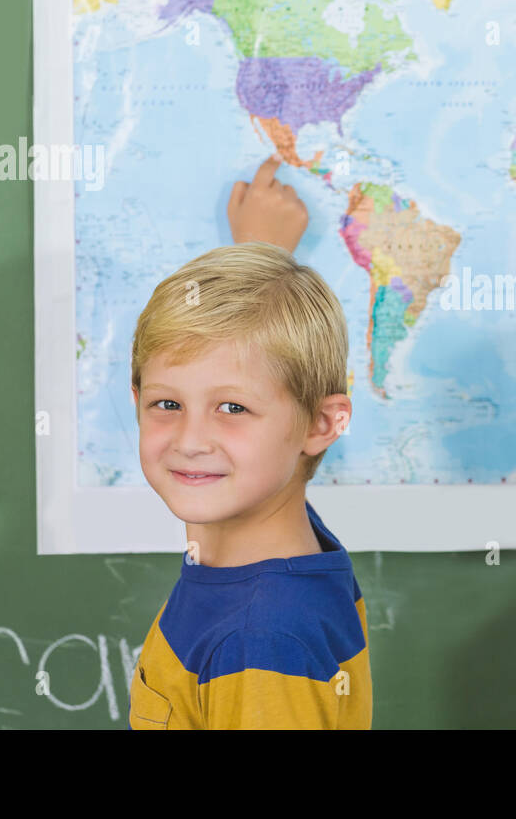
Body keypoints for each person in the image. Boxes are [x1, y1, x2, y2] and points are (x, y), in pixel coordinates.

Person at [127, 158, 369, 728]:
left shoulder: (260, 642)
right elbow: (267, 414)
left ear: (319, 425)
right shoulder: (274, 536)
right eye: (167, 404)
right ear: (136, 395)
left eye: (232, 409)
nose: (190, 440)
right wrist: (260, 259)